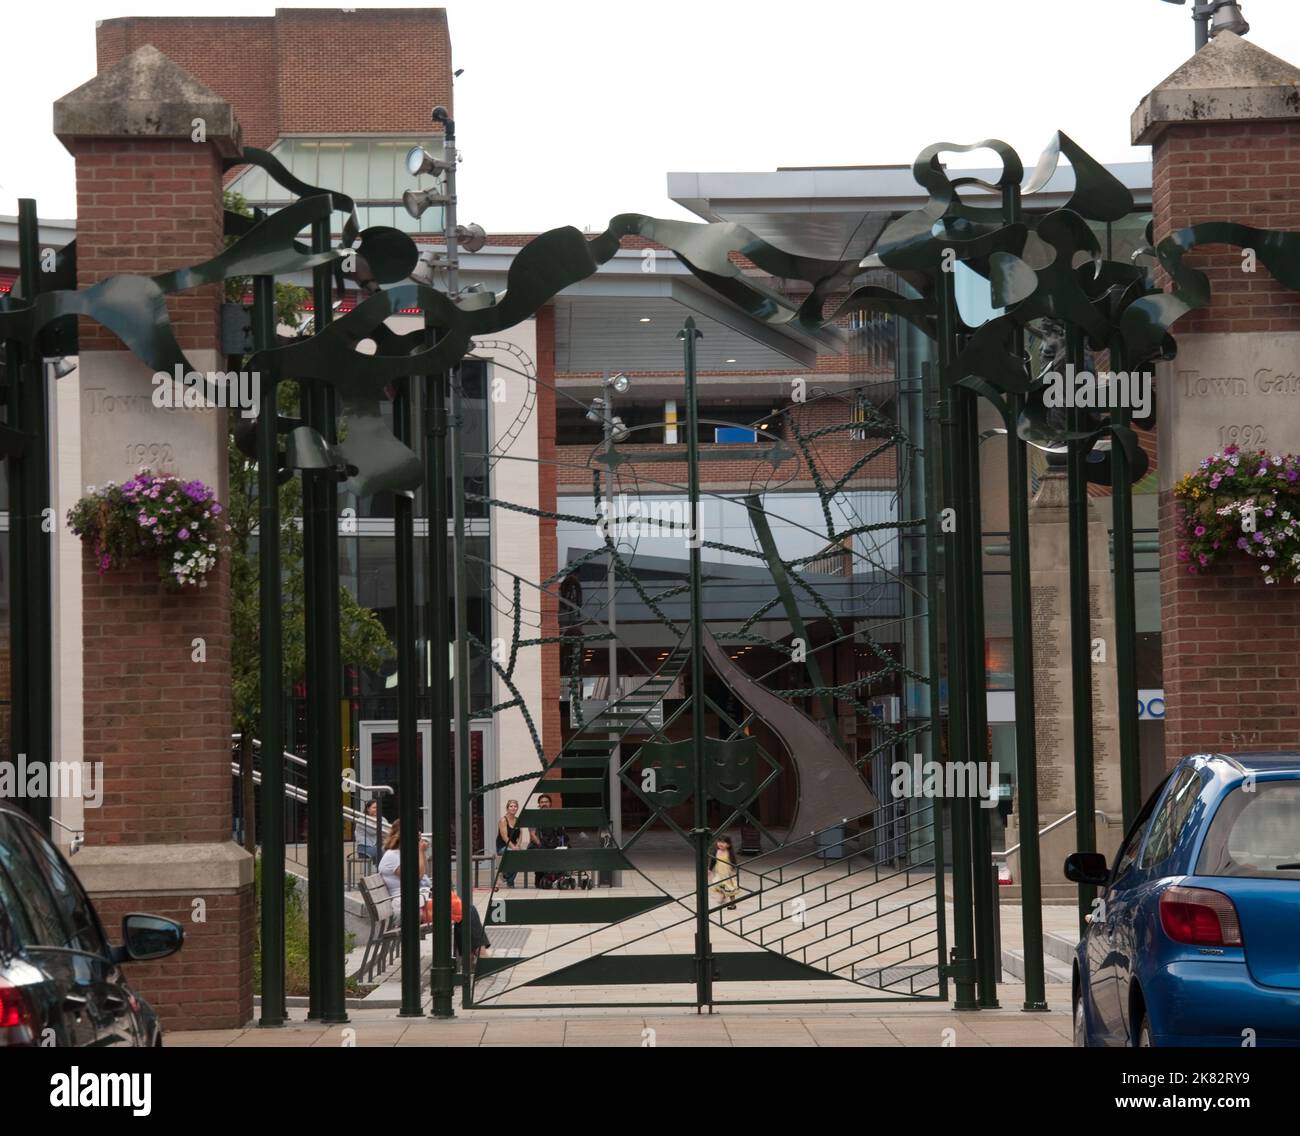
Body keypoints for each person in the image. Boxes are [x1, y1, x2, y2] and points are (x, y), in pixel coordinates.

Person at [377, 820, 430, 920]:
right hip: (404, 903)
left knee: (454, 905)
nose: (419, 836)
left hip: (413, 898)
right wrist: (420, 851)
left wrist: (422, 853)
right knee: (451, 906)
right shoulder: (393, 856)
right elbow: (418, 877)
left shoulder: (401, 853)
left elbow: (424, 872)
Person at [532, 792, 568, 889]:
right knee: (540, 852)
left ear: (550, 803)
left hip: (553, 843)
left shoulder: (555, 816)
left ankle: (558, 877)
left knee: (563, 851)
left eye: (546, 802)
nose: (544, 804)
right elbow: (533, 835)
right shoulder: (534, 816)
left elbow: (560, 833)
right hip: (539, 844)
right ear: (539, 804)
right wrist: (541, 845)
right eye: (542, 802)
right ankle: (541, 878)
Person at [496, 799, 524, 888]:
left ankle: (506, 876)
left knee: (520, 856)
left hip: (514, 846)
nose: (513, 808)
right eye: (511, 806)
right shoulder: (503, 820)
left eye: (515, 806)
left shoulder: (518, 820)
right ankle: (509, 881)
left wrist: (518, 845)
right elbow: (505, 837)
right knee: (514, 854)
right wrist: (513, 847)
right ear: (507, 808)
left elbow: (520, 834)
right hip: (503, 846)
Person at [710, 835, 740, 910]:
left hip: (727, 874)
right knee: (717, 885)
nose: (720, 844)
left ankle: (733, 904)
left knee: (730, 889)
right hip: (719, 873)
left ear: (728, 845)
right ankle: (723, 896)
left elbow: (734, 862)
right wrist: (710, 869)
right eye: (719, 842)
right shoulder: (716, 851)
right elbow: (713, 861)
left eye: (723, 842)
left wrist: (733, 870)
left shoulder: (729, 852)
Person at [355, 799, 381, 867]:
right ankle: (381, 870)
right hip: (363, 850)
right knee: (385, 850)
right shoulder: (362, 820)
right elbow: (373, 830)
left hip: (374, 848)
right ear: (368, 809)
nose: (377, 809)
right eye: (374, 807)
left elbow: (388, 831)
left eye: (378, 807)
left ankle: (381, 870)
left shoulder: (381, 818)